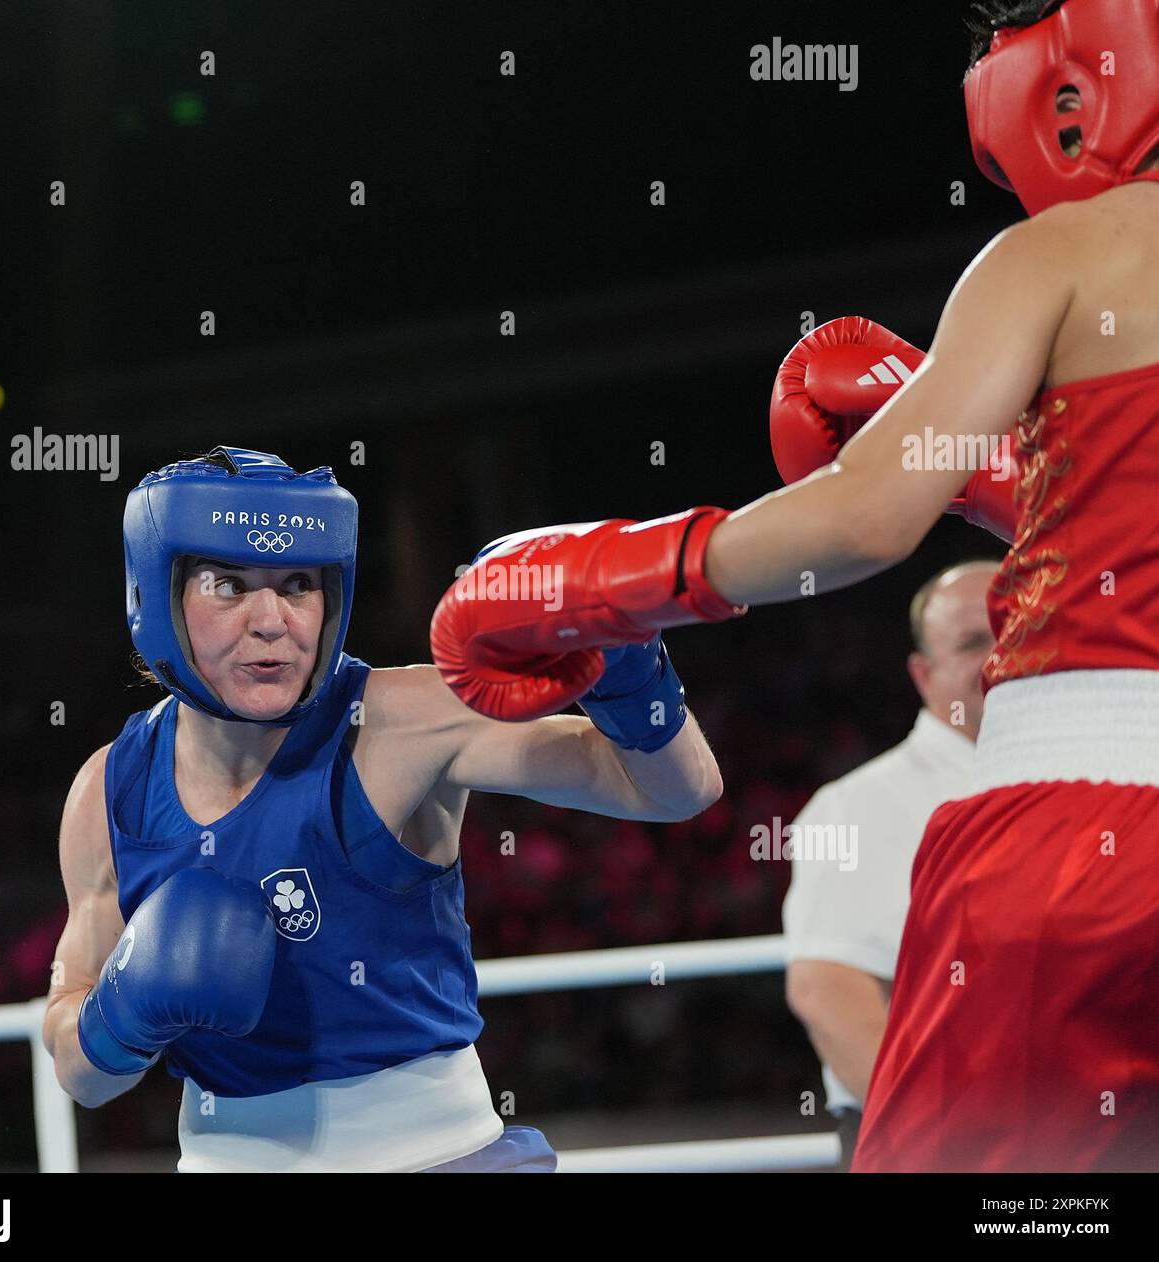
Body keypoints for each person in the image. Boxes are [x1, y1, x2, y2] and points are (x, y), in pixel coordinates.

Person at [431, 0, 1159, 1170]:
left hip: (1078, 822)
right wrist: (1012, 484)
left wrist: (602, 576)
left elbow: (864, 512)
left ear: (1067, 95)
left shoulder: (1065, 251)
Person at [42, 446, 723, 1173]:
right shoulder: (110, 789)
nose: (271, 620)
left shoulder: (401, 720)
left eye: (299, 584)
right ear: (157, 593)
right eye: (228, 584)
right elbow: (82, 1077)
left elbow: (676, 790)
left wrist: (621, 659)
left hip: (445, 1157)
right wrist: (125, 1012)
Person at [782, 562, 996, 1169]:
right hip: (940, 1143)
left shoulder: (1086, 782)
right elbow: (828, 991)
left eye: (1020, 627)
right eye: (974, 642)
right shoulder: (856, 806)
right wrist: (947, 1150)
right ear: (923, 675)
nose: (1004, 656)